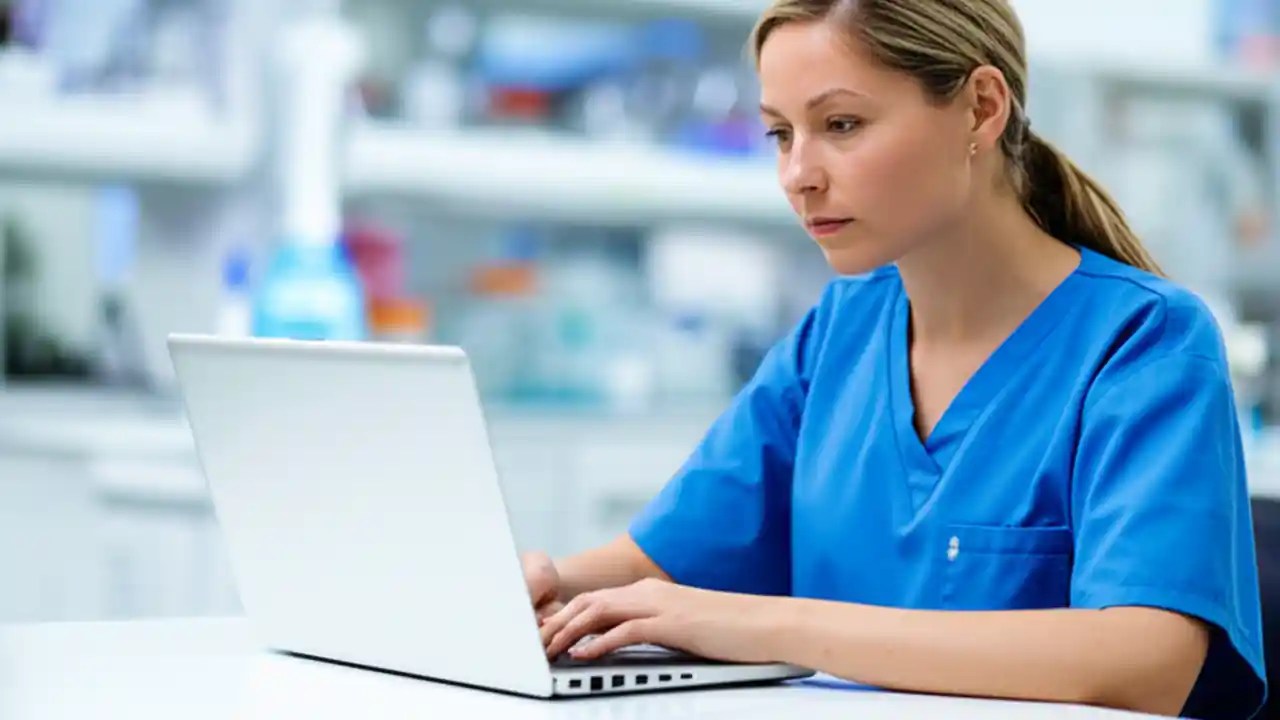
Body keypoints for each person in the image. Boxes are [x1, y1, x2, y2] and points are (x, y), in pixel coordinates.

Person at [525, 1, 1267, 717]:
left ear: (981, 108)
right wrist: (539, 584)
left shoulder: (1144, 343)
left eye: (841, 125)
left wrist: (771, 626)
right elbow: (661, 563)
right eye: (780, 134)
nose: (798, 174)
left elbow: (1145, 662)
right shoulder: (840, 331)